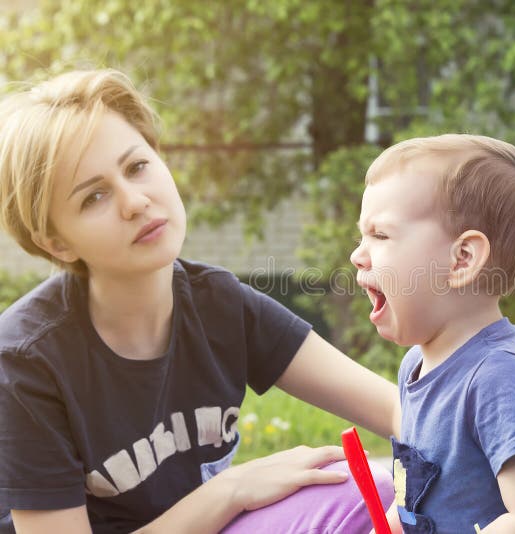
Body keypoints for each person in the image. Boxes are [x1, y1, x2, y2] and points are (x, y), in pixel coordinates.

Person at [0, 69, 397, 534]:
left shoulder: (219, 304)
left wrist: (498, 461)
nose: (135, 202)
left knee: (374, 487)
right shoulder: (24, 363)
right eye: (94, 196)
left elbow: (395, 410)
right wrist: (231, 489)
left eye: (137, 166)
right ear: (57, 244)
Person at [350, 134, 515, 533]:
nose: (357, 254)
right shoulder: (416, 365)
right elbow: (419, 498)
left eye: (380, 235)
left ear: (462, 259)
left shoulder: (496, 377)